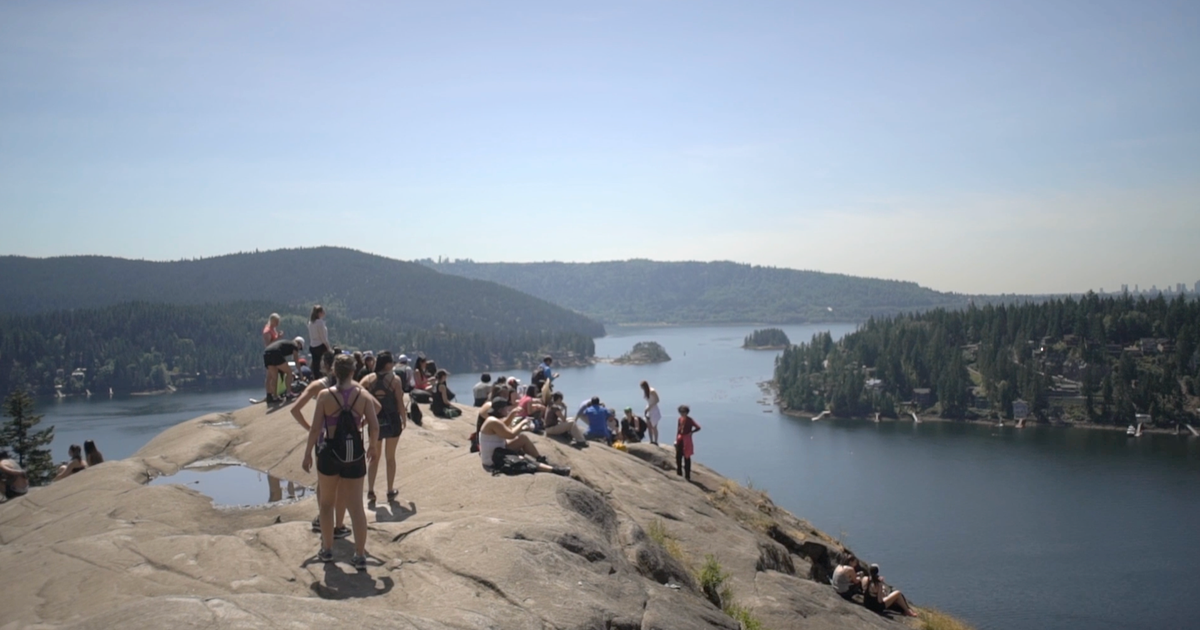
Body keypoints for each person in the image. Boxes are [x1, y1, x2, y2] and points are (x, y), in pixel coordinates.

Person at [302, 354, 380, 570]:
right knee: (356, 506)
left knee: (326, 504)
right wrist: (372, 446)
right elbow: (374, 426)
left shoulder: (325, 396)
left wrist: (308, 452)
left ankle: (327, 550)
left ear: (334, 371)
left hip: (329, 453)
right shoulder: (363, 396)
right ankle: (360, 554)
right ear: (354, 372)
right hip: (354, 454)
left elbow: (316, 428)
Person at [477, 397, 569, 476]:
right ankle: (553, 470)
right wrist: (522, 423)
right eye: (507, 408)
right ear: (501, 410)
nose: (508, 410)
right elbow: (511, 434)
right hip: (493, 458)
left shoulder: (493, 420)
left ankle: (540, 459)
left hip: (498, 450)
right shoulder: (493, 421)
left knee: (522, 438)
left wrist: (512, 414)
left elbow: (504, 425)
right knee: (523, 459)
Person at [361, 352, 408, 504]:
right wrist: (404, 418)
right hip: (392, 420)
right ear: (387, 364)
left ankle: (371, 490)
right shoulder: (395, 380)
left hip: (375, 421)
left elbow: (358, 391)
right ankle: (389, 490)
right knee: (390, 458)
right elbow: (399, 401)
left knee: (374, 457)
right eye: (392, 361)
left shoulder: (368, 379)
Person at [263, 336, 304, 404]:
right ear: (299, 343)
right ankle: (288, 394)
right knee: (289, 372)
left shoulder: (286, 343)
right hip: (275, 353)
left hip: (266, 352)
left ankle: (272, 397)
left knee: (274, 377)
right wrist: (300, 374)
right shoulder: (294, 345)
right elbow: (296, 360)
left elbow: (282, 360)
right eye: (300, 347)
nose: (299, 349)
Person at [674, 405, 701, 481]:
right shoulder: (679, 419)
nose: (682, 414)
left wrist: (691, 432)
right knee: (678, 456)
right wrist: (676, 440)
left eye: (683, 412)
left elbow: (698, 427)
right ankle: (679, 473)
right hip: (680, 439)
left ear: (687, 412)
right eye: (681, 412)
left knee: (687, 457)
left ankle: (687, 476)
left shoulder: (690, 420)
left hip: (686, 439)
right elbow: (678, 430)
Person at [307, 305, 331, 378]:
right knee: (327, 362)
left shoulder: (310, 323)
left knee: (315, 365)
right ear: (319, 313)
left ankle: (316, 378)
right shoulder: (320, 323)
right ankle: (328, 376)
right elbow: (323, 337)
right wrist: (328, 347)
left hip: (312, 345)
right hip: (320, 346)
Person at [641, 380, 662, 445]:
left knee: (654, 426)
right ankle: (651, 440)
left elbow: (657, 400)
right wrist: (647, 408)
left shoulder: (652, 391)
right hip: (648, 408)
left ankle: (655, 441)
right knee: (649, 426)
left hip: (654, 409)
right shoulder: (645, 392)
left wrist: (650, 407)